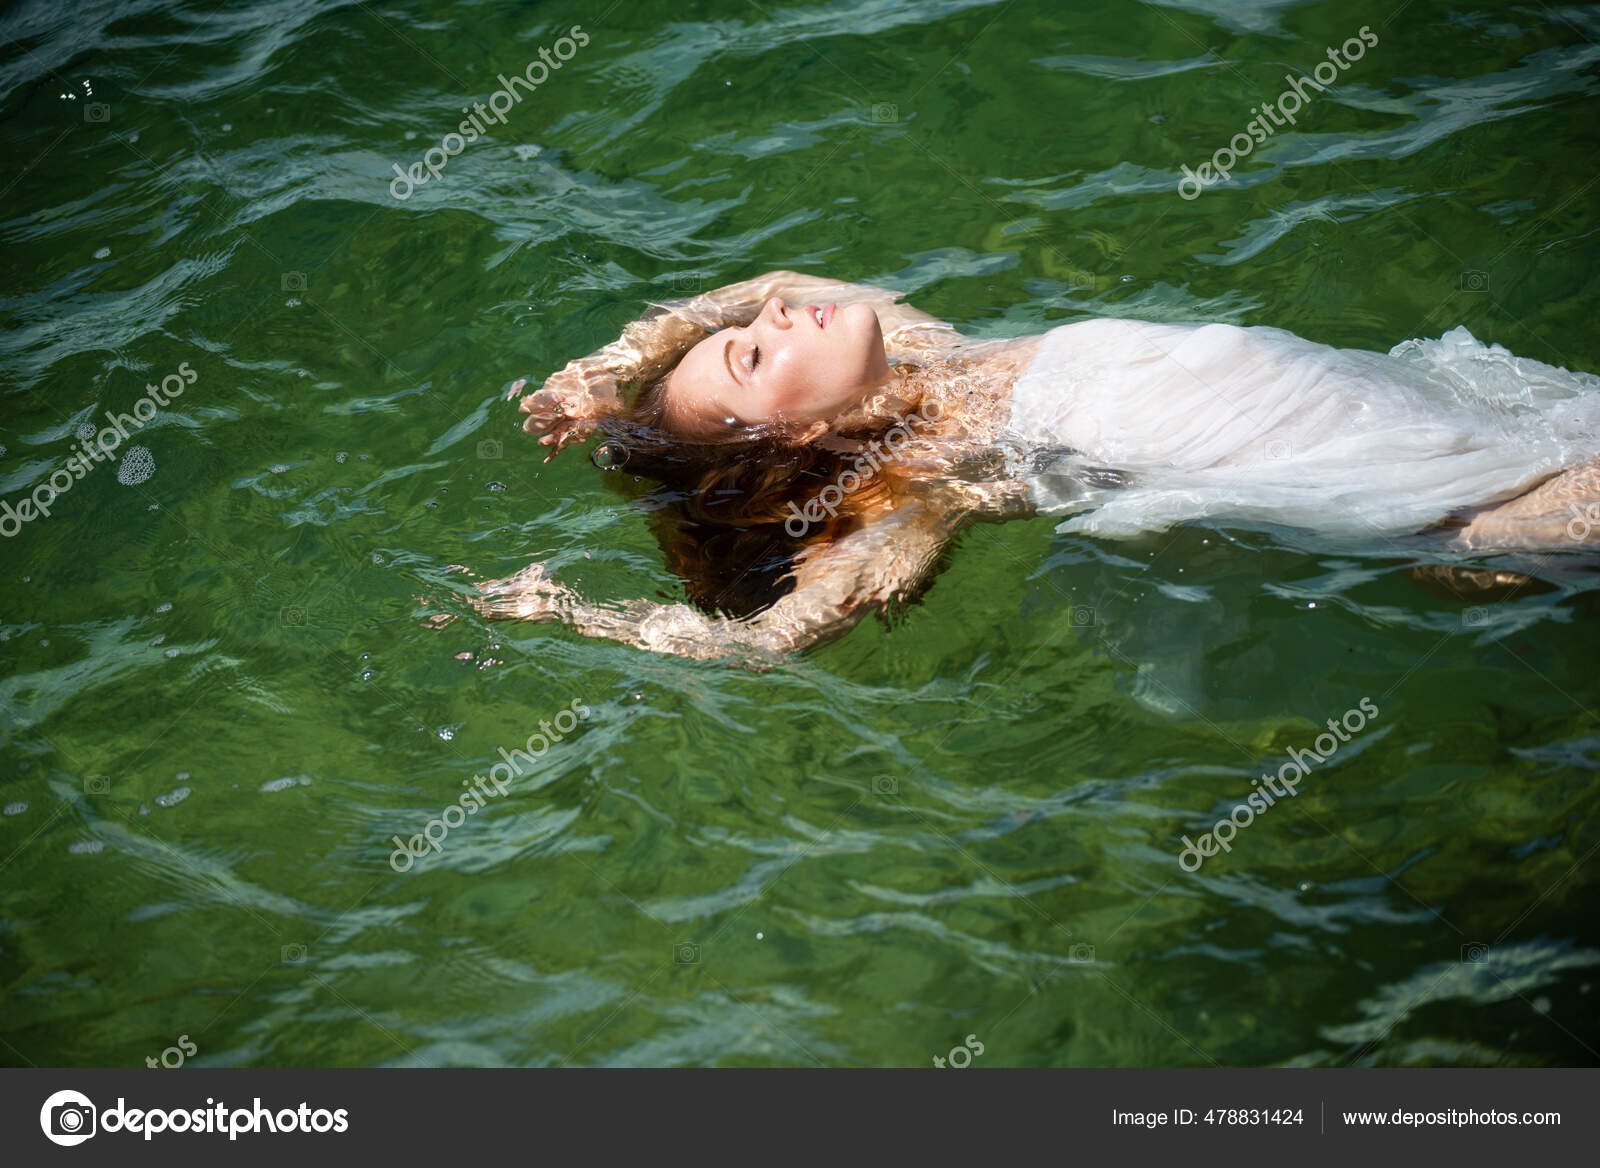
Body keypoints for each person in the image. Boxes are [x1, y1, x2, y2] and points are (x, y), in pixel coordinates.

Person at [456, 271, 1600, 662]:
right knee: (1539, 514)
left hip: (1359, 399)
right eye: (754, 356)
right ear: (794, 439)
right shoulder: (926, 481)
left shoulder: (928, 350)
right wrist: (578, 616)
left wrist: (612, 367)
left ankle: (1478, 564)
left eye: (750, 331)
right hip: (1330, 463)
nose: (775, 314)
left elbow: (764, 280)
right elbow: (770, 639)